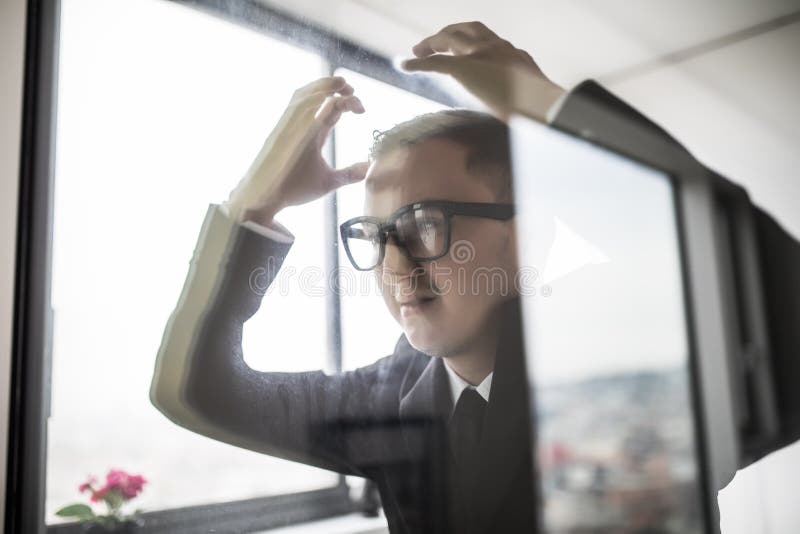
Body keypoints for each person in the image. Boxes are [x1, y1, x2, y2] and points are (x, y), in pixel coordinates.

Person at [150, 20, 794, 534]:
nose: (394, 266)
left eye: (424, 224)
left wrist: (547, 108)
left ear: (523, 238)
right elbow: (195, 390)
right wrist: (252, 208)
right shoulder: (385, 396)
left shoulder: (626, 368)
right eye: (374, 235)